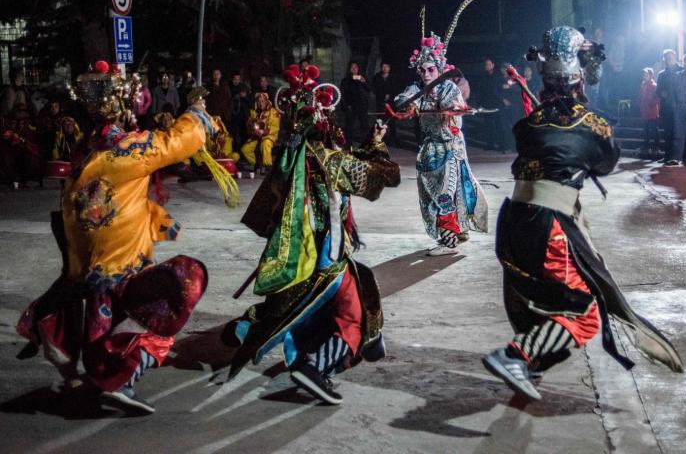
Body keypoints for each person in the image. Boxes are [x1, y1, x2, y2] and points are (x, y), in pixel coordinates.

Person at [482, 26, 683, 402]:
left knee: (537, 298)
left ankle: (532, 363)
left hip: (512, 220)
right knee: (585, 312)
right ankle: (516, 356)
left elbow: (536, 143)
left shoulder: (529, 124)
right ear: (580, 80)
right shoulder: (593, 125)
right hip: (547, 226)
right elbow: (606, 162)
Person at [15, 66, 225, 415]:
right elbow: (175, 143)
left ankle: (88, 362)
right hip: (120, 267)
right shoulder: (129, 150)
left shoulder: (86, 152)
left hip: (90, 269)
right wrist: (197, 114)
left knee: (106, 320)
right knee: (187, 278)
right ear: (125, 109)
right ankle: (122, 378)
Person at [223, 64, 400, 405]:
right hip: (325, 256)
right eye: (329, 114)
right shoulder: (328, 160)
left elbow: (350, 159)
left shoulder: (295, 155)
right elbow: (381, 177)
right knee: (355, 313)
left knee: (299, 310)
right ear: (323, 120)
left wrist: (372, 141)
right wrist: (379, 148)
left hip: (302, 255)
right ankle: (315, 366)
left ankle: (249, 328)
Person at [395, 0, 494, 255]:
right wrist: (409, 104)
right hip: (429, 149)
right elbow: (403, 99)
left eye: (431, 70)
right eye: (423, 70)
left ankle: (449, 239)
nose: (426, 74)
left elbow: (457, 109)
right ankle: (457, 231)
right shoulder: (417, 89)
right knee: (434, 192)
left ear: (439, 69)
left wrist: (450, 110)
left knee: (445, 192)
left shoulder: (449, 88)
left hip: (449, 148)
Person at [240, 91, 280, 174]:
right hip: (258, 137)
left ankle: (267, 166)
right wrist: (251, 126)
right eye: (259, 101)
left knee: (265, 143)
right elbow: (251, 126)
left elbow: (275, 127)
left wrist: (264, 131)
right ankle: (257, 164)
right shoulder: (256, 113)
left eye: (262, 101)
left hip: (270, 136)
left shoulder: (273, 112)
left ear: (266, 101)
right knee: (245, 149)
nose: (260, 103)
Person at [656, 49, 684, 162]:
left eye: (670, 58)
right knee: (667, 133)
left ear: (675, 58)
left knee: (679, 133)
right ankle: (667, 156)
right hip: (666, 108)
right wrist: (661, 93)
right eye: (666, 58)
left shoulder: (682, 71)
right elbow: (657, 91)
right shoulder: (661, 74)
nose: (669, 60)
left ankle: (679, 157)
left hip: (679, 108)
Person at [478, 57, 510, 151]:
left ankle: (502, 145)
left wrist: (504, 99)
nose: (487, 66)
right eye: (485, 65)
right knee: (488, 125)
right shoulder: (483, 77)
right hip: (487, 104)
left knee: (500, 125)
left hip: (498, 104)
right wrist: (479, 103)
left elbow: (502, 89)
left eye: (489, 64)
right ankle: (490, 144)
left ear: (493, 65)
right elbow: (480, 91)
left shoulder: (498, 76)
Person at [340, 61, 371, 144]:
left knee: (364, 125)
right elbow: (342, 94)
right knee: (349, 126)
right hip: (350, 106)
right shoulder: (346, 80)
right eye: (352, 67)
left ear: (358, 69)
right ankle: (348, 144)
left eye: (355, 67)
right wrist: (346, 105)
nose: (354, 69)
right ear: (350, 69)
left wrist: (364, 82)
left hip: (362, 105)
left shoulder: (362, 78)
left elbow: (369, 89)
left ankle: (366, 143)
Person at [372, 61, 399, 145]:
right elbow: (374, 89)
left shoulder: (393, 77)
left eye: (386, 67)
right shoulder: (377, 77)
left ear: (389, 68)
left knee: (391, 121)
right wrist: (382, 95)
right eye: (383, 67)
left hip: (391, 103)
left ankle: (393, 140)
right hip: (380, 102)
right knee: (380, 121)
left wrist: (390, 95)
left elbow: (396, 88)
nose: (384, 68)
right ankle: (379, 139)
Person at [639, 67, 660, 156]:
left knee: (654, 130)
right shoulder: (643, 84)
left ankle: (656, 147)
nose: (644, 76)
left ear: (651, 75)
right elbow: (640, 96)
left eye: (646, 74)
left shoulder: (654, 85)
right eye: (643, 74)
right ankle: (646, 146)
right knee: (646, 130)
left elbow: (657, 99)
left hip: (652, 111)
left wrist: (650, 106)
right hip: (644, 111)